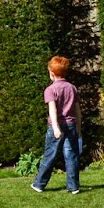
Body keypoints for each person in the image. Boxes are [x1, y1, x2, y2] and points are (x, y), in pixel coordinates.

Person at [31, 55, 82, 195]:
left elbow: (52, 109)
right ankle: (73, 187)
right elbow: (77, 110)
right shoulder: (72, 88)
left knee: (50, 155)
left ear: (52, 73)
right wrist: (79, 127)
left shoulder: (50, 90)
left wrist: (55, 127)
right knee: (71, 156)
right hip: (71, 125)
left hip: (57, 126)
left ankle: (39, 184)